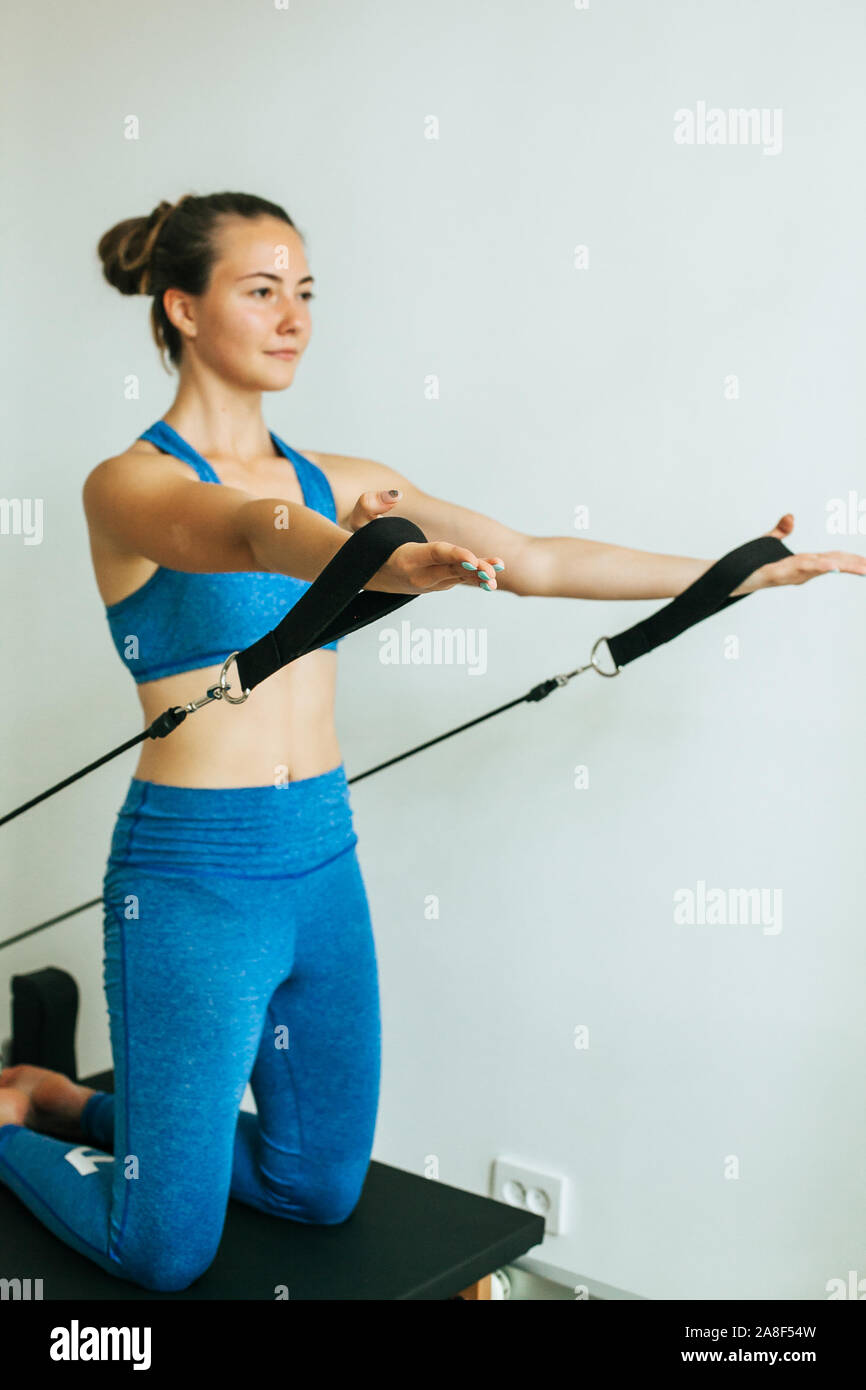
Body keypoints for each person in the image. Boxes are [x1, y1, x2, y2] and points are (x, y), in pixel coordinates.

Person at [0, 191, 860, 1294]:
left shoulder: (344, 477)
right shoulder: (130, 485)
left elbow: (533, 557)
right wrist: (379, 558)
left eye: (304, 292)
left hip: (321, 861)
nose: (293, 316)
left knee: (318, 1186)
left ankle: (70, 1096)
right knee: (162, 1248)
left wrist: (726, 574)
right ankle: (15, 1112)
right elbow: (247, 527)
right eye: (260, 291)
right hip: (189, 879)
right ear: (180, 306)